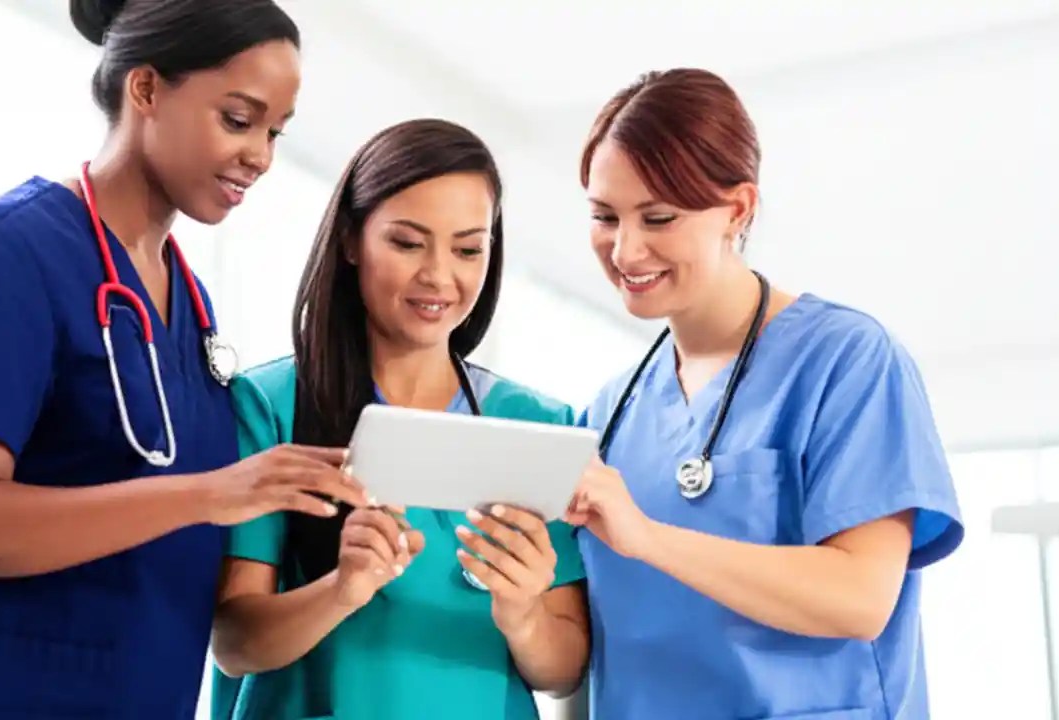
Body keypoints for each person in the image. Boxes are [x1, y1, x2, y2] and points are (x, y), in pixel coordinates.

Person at [0, 2, 367, 718]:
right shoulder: (10, 250)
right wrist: (214, 492)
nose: (262, 156)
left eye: (275, 132)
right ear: (146, 90)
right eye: (239, 120)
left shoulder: (190, 302)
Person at [563, 68, 964, 720]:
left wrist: (647, 536)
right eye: (604, 216)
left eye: (658, 217)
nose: (626, 249)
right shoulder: (610, 413)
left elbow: (860, 597)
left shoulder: (846, 362)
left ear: (739, 209)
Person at [208, 118, 591, 720]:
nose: (439, 276)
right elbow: (233, 642)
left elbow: (563, 668)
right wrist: (342, 590)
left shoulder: (539, 424)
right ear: (351, 240)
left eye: (468, 249)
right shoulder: (270, 404)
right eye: (408, 243)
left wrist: (522, 613)